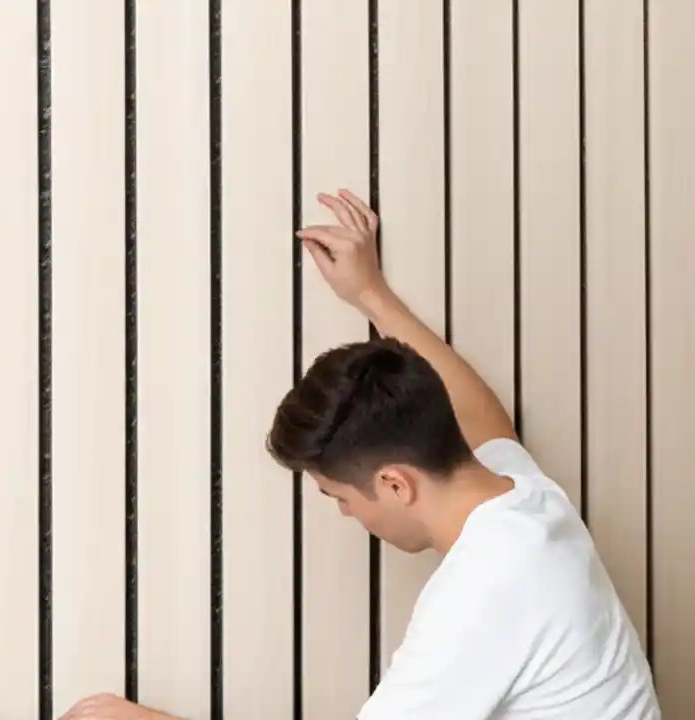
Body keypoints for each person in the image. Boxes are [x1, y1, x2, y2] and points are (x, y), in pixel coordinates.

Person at [60, 190, 660, 719]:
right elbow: (482, 416)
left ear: (395, 484)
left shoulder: (484, 589)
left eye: (340, 497)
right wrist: (371, 294)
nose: (346, 516)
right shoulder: (520, 499)